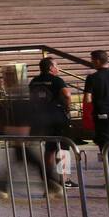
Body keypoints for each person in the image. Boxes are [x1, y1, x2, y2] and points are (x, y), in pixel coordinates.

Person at [28, 57, 74, 192]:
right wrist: (68, 108)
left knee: (49, 149)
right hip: (58, 117)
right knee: (63, 148)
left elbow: (31, 97)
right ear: (50, 68)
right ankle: (64, 179)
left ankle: (49, 178)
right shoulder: (56, 80)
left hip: (42, 118)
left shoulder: (34, 81)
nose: (58, 68)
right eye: (56, 66)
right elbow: (67, 94)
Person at [84, 49, 109, 161]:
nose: (91, 62)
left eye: (92, 60)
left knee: (106, 148)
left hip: (102, 115)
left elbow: (87, 99)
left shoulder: (92, 78)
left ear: (97, 61)